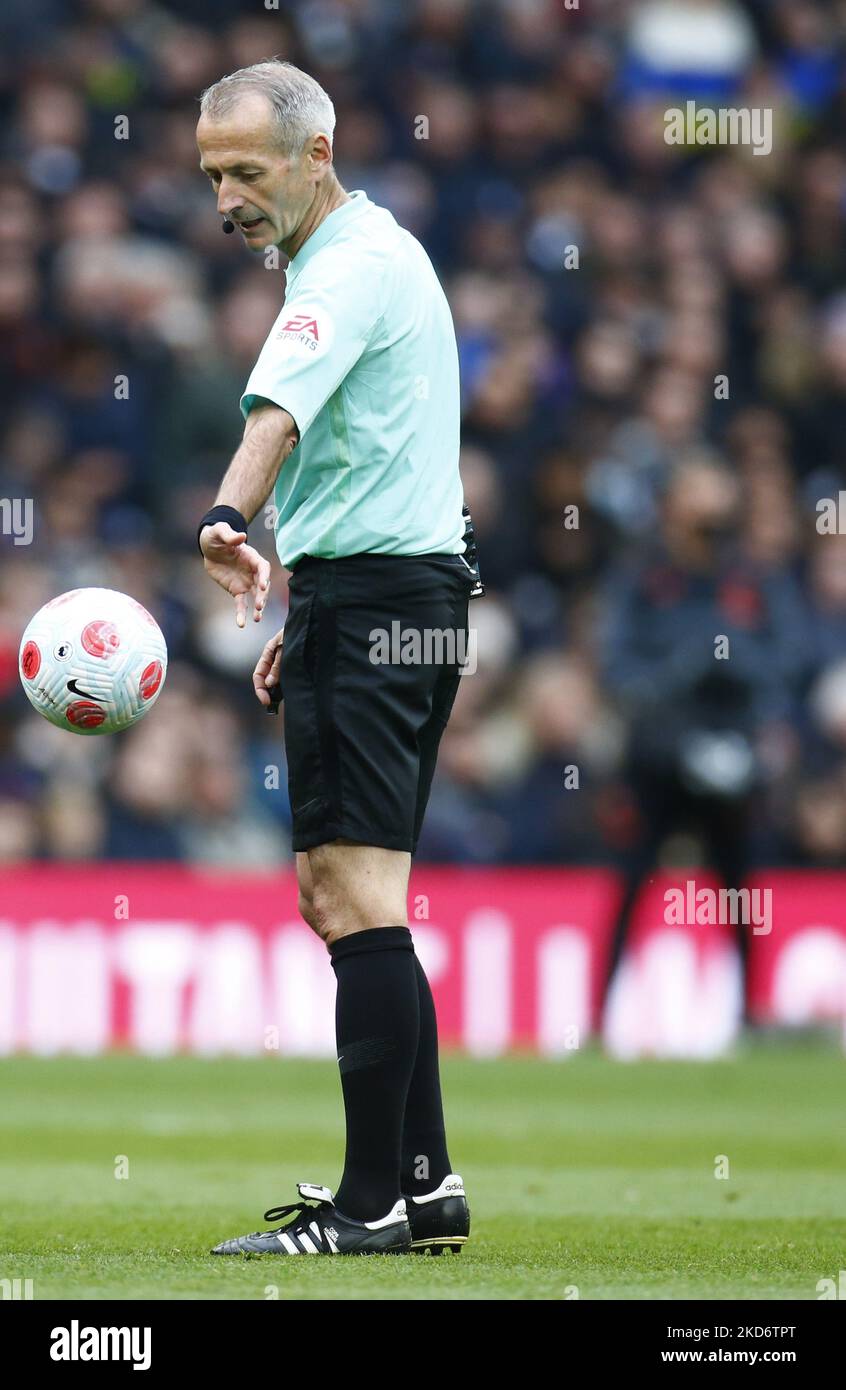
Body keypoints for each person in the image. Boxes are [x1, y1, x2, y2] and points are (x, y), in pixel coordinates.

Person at [195, 60, 480, 1257]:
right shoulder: (378, 254)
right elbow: (372, 457)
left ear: (316, 155)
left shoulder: (347, 266)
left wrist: (226, 520)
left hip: (375, 600)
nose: (227, 200)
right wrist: (311, 606)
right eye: (212, 176)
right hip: (395, 593)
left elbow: (278, 414)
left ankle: (370, 1208)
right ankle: (427, 1182)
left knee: (348, 896)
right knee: (362, 897)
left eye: (246, 172)